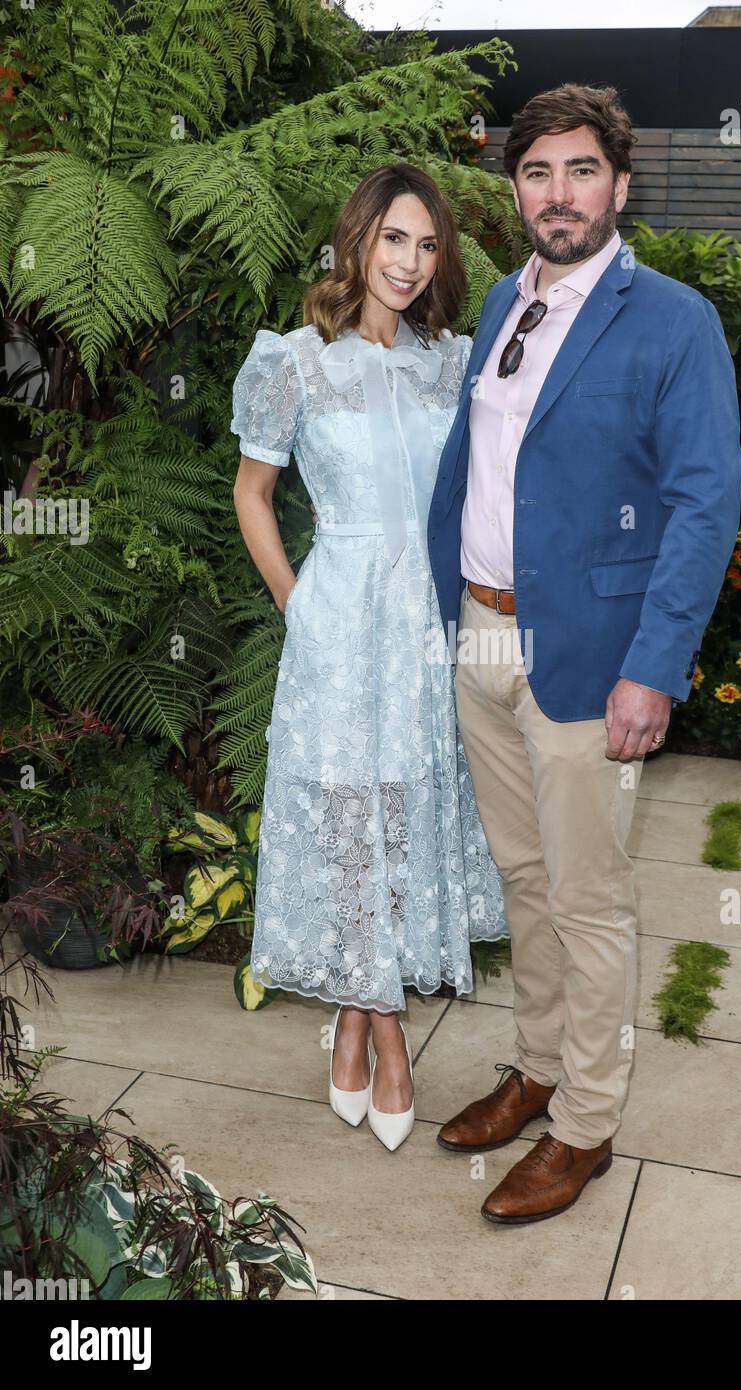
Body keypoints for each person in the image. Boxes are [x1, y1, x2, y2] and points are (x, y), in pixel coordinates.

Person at [427, 83, 741, 1222]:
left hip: (594, 650)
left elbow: (705, 504)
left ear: (618, 184)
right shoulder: (502, 303)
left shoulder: (671, 319)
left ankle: (587, 1124)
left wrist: (653, 667)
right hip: (480, 627)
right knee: (524, 880)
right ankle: (539, 1065)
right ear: (515, 190)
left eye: (579, 172)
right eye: (536, 173)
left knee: (590, 895)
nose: (557, 195)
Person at [231, 164, 507, 1153]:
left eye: (428, 245)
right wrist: (298, 603)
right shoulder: (296, 363)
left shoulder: (453, 363)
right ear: (358, 241)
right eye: (396, 238)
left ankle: (351, 1019)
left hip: (425, 630)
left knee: (398, 819)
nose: (410, 261)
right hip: (338, 622)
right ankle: (393, 1045)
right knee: (352, 819)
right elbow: (252, 494)